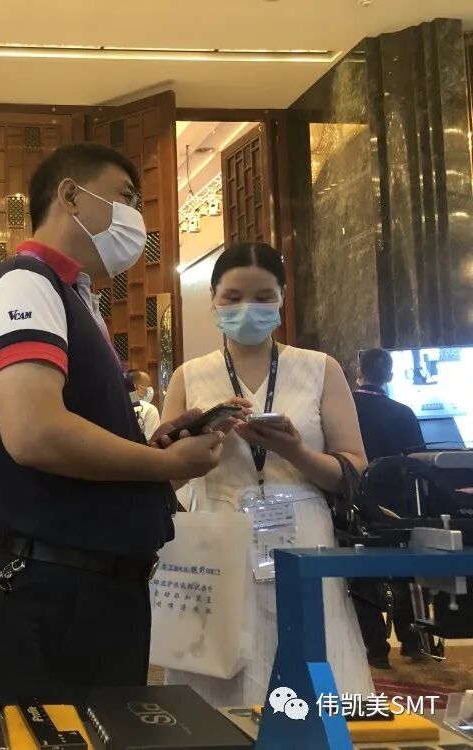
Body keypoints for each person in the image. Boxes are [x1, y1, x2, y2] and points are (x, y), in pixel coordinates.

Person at [0, 142, 229, 705]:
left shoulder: (74, 298)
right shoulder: (25, 284)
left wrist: (155, 449)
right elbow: (34, 432)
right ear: (70, 196)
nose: (135, 218)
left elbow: (76, 428)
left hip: (92, 583)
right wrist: (159, 463)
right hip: (58, 586)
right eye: (125, 198)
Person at [161, 241, 373, 706]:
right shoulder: (189, 376)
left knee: (311, 662)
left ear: (281, 297)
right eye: (233, 297)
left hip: (303, 535)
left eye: (262, 297)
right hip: (217, 532)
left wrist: (295, 451)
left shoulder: (319, 368)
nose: (247, 309)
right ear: (213, 298)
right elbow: (166, 478)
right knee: (216, 673)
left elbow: (352, 470)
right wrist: (196, 446)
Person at [351, 347, 427, 668]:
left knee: (360, 572)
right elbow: (419, 462)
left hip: (355, 503)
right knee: (403, 570)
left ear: (359, 372)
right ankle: (411, 640)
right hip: (397, 506)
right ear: (391, 376)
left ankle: (376, 649)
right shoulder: (403, 412)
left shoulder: (347, 408)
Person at [129, 368, 161, 440]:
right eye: (149, 385)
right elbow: (152, 442)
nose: (151, 389)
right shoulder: (150, 410)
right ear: (136, 387)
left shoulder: (117, 406)